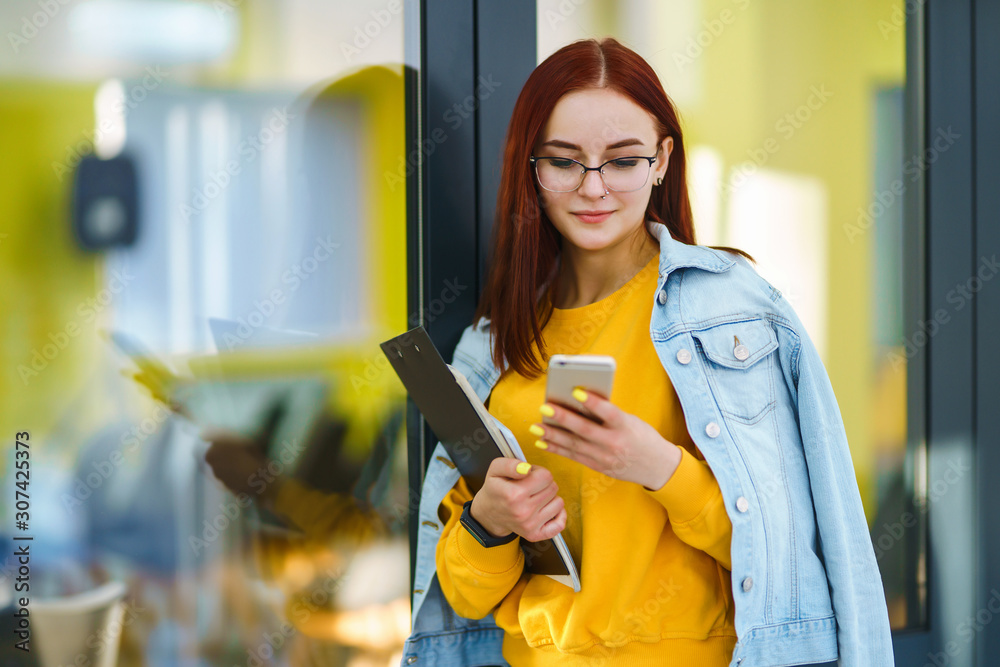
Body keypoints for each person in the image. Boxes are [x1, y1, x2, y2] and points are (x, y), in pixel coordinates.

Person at [399, 37, 893, 667]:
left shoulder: (729, 310)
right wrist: (488, 524)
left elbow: (786, 557)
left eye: (623, 160)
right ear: (531, 167)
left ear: (662, 159)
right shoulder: (497, 342)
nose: (594, 188)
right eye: (564, 161)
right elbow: (465, 597)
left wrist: (660, 467)